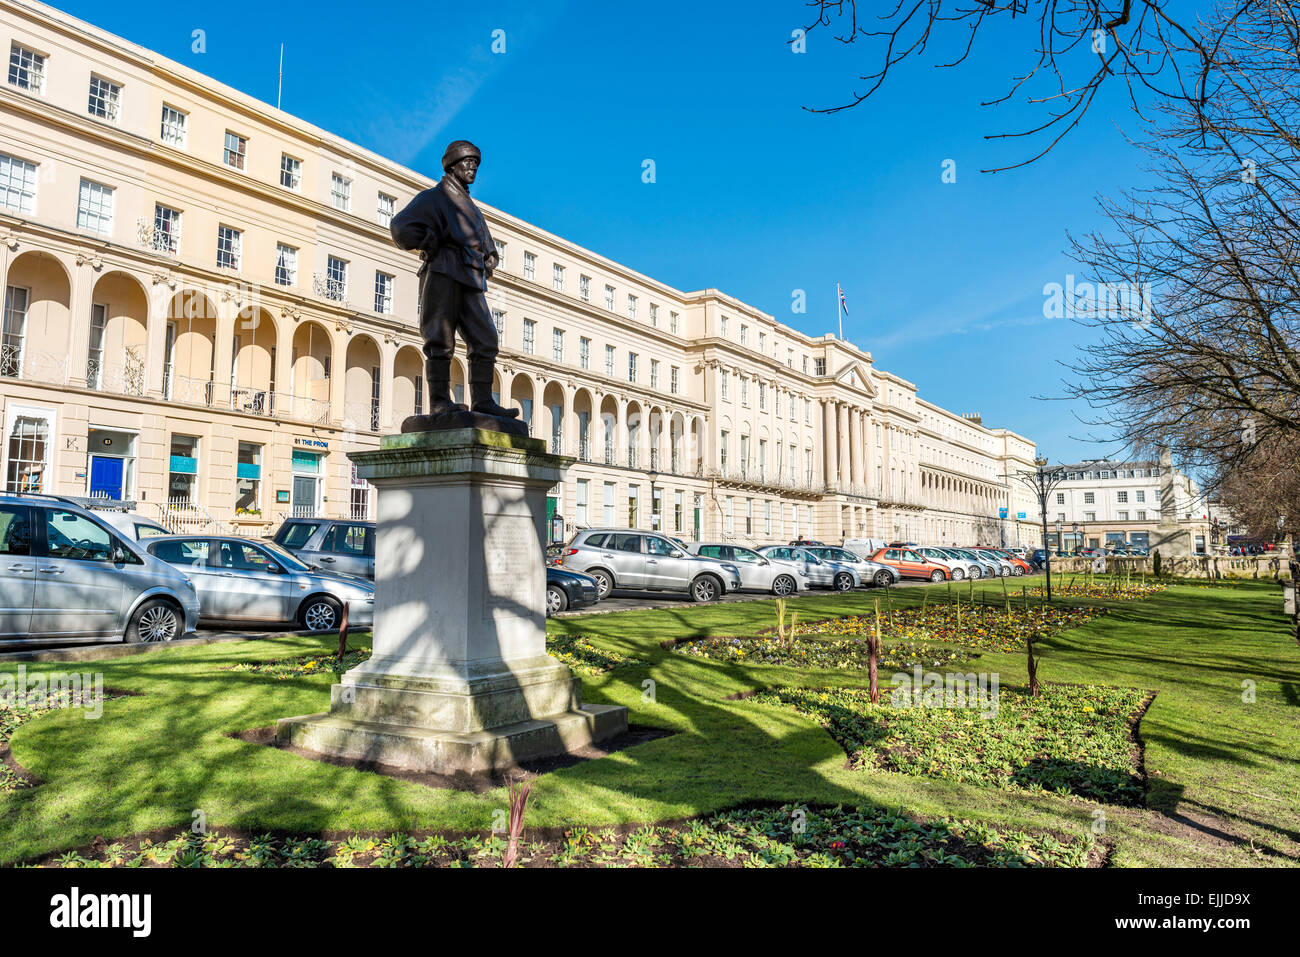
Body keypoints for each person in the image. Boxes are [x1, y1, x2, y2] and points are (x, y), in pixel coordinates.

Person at [389, 140, 517, 419]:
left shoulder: (470, 206)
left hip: (471, 279)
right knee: (440, 339)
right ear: (452, 165)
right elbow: (400, 226)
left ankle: (483, 401)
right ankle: (438, 402)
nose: (473, 168)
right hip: (444, 273)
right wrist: (429, 241)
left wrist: (490, 257)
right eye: (467, 162)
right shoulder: (434, 198)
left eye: (476, 163)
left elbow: (487, 244)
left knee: (486, 340)